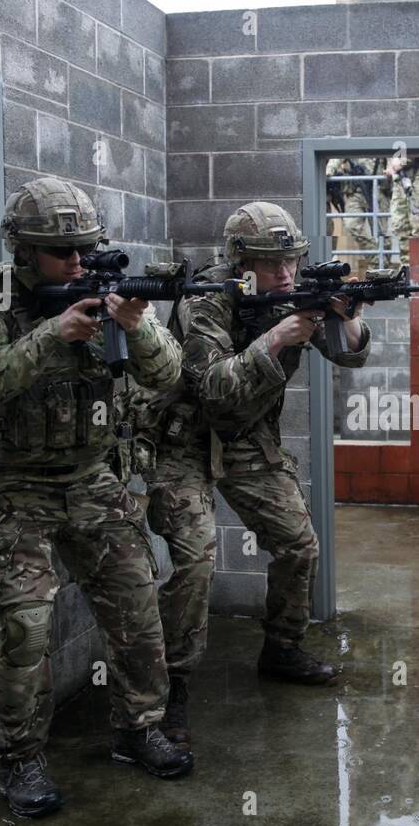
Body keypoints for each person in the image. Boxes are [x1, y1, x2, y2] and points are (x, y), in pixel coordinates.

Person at [0, 176, 189, 818]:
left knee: (138, 605)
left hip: (91, 479)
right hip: (11, 486)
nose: (79, 264)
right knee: (26, 627)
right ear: (25, 253)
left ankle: (140, 728)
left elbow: (167, 379)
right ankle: (20, 755)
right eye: (64, 254)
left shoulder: (110, 291)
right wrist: (54, 334)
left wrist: (134, 328)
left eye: (87, 249)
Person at [133, 202, 372, 751]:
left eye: (291, 261)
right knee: (195, 559)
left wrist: (346, 317)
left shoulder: (291, 291)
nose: (285, 274)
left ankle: (282, 647)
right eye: (271, 264)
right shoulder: (208, 299)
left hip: (245, 441)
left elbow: (351, 358)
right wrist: (278, 337)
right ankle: (175, 686)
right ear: (241, 261)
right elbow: (212, 386)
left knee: (299, 544)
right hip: (183, 441)